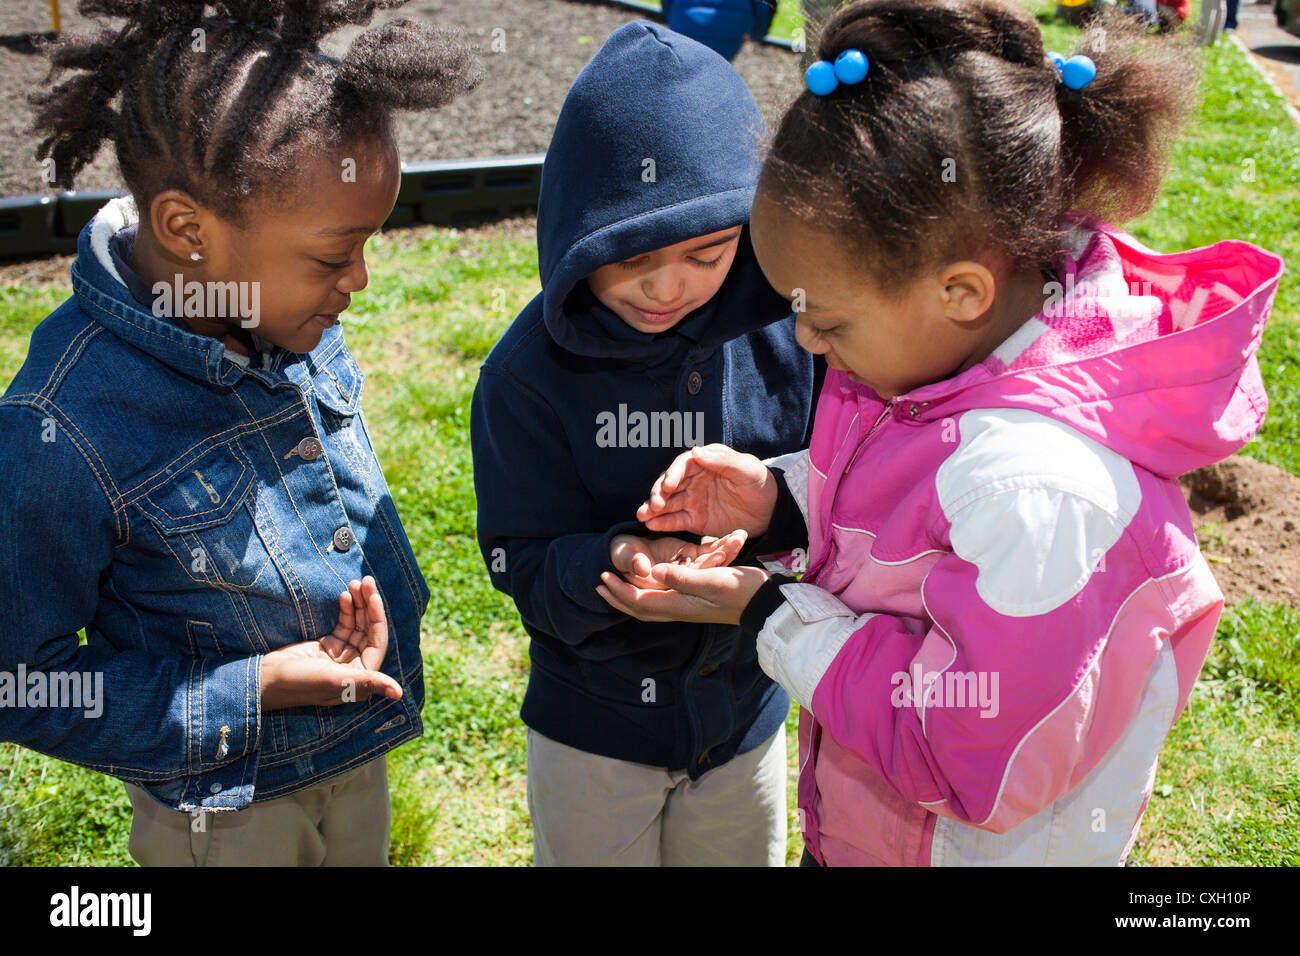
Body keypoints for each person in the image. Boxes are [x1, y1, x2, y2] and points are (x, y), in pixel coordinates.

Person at [599, 0, 1284, 866]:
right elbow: (913, 492)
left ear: (960, 291)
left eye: (830, 323)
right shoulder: (948, 358)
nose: (807, 343)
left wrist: (773, 615)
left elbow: (968, 758)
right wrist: (782, 500)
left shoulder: (1040, 492)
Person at [0, 0, 480, 866]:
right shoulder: (62, 429)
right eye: (335, 257)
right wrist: (252, 690)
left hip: (352, 754)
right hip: (226, 817)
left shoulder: (277, 310)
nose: (361, 282)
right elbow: (22, 678)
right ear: (188, 231)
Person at [471, 20, 823, 866]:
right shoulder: (525, 380)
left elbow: (837, 493)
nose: (670, 288)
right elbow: (516, 561)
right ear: (572, 235)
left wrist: (769, 507)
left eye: (709, 253)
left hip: (748, 714)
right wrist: (612, 561)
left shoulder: (798, 337)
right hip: (593, 736)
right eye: (631, 258)